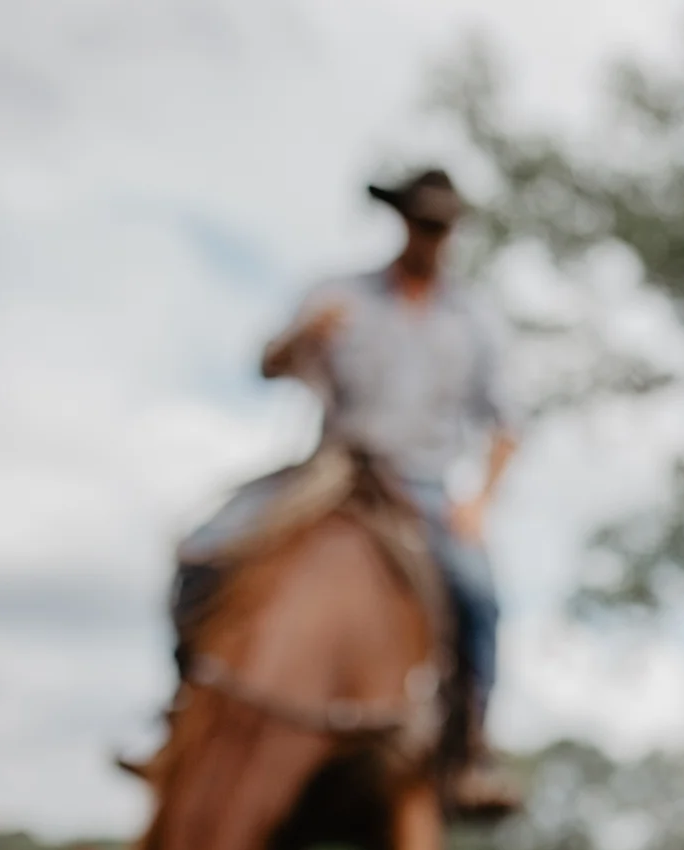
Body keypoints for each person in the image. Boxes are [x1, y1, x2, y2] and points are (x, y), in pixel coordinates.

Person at [173, 168, 521, 815]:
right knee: (202, 548)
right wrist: (301, 338)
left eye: (442, 227)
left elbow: (506, 427)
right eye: (422, 223)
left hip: (421, 484)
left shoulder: (474, 321)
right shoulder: (341, 293)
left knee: (480, 596)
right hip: (333, 471)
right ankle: (186, 709)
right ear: (403, 223)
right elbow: (268, 366)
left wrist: (479, 502)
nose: (431, 237)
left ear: (453, 233)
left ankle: (470, 742)